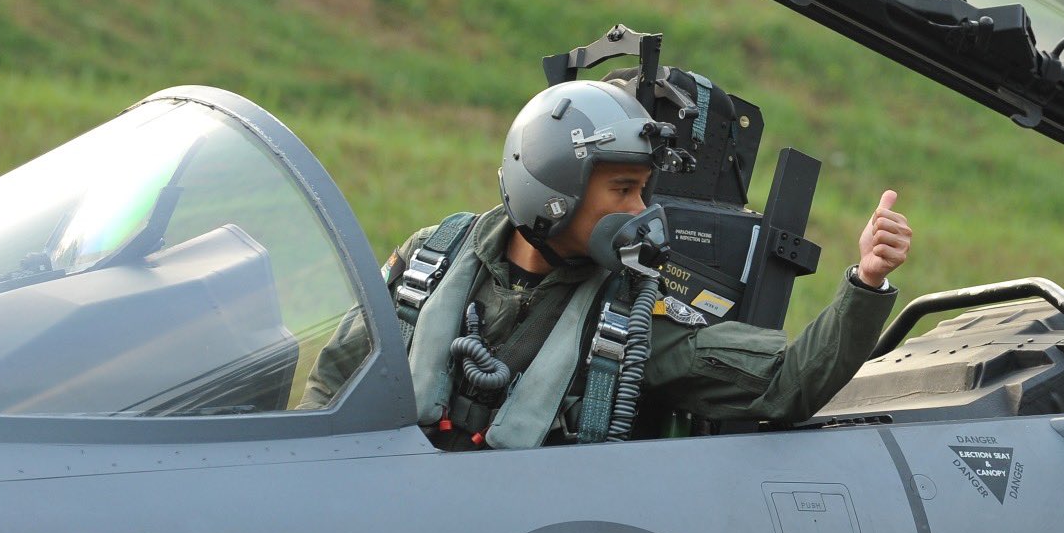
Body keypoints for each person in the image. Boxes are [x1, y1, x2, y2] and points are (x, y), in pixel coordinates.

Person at [303, 76, 911, 446]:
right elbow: (331, 387)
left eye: (643, 190)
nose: (642, 211)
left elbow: (783, 385)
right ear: (553, 190)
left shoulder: (633, 316)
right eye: (623, 190)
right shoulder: (429, 262)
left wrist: (866, 282)